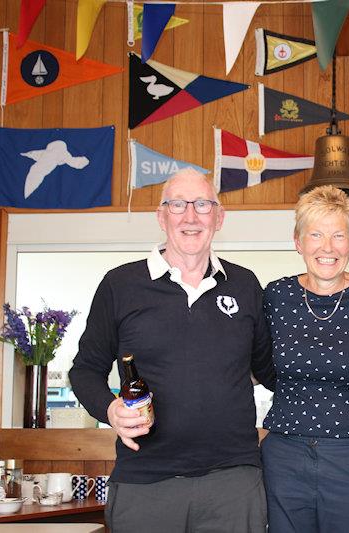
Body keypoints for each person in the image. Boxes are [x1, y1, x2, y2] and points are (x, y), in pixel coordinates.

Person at [69, 168, 275, 532]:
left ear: (219, 217)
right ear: (161, 216)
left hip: (233, 482)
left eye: (203, 204)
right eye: (178, 204)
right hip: (145, 481)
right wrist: (110, 409)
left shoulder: (245, 285)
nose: (190, 216)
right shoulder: (120, 284)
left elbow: (271, 370)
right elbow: (85, 370)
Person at [261, 185, 349, 533]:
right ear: (298, 241)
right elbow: (248, 367)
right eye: (316, 234)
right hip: (285, 454)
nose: (328, 247)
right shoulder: (276, 296)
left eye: (338, 235)